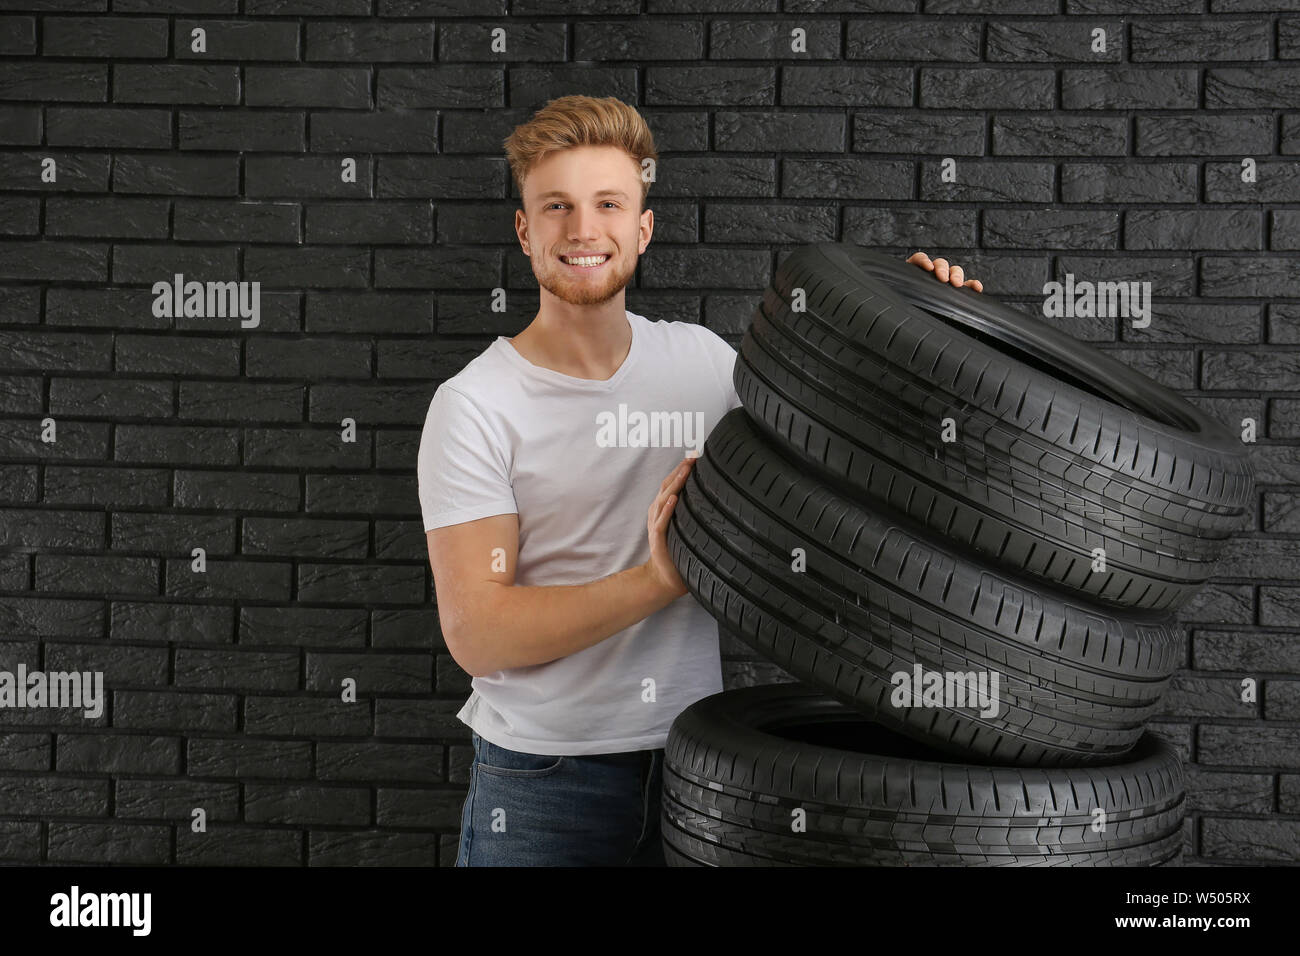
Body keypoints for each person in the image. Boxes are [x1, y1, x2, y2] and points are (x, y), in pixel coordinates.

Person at [416, 94, 983, 867]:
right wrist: (658, 580)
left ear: (642, 229)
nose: (583, 231)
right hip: (545, 787)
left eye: (608, 204)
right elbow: (478, 633)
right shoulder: (476, 403)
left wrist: (933, 333)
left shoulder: (704, 365)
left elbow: (849, 456)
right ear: (525, 230)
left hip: (700, 772)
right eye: (557, 207)